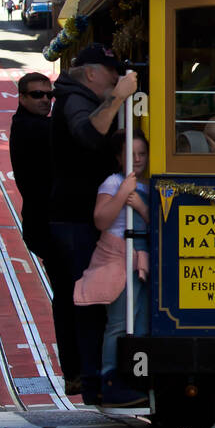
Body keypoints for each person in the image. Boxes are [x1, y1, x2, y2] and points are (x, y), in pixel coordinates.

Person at [49, 43, 138, 405]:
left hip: (77, 219)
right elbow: (88, 134)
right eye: (110, 70)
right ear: (91, 73)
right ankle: (94, 382)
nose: (116, 76)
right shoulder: (74, 99)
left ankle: (94, 379)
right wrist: (118, 99)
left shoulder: (73, 94)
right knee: (91, 300)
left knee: (92, 300)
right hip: (75, 221)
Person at [9, 71, 80, 391]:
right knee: (68, 297)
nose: (45, 101)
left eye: (49, 96)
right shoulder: (30, 128)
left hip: (47, 225)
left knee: (69, 295)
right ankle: (75, 371)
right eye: (37, 95)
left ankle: (76, 370)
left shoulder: (37, 126)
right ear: (22, 97)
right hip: (49, 227)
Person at [74, 130, 150, 407]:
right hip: (119, 257)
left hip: (142, 259)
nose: (138, 160)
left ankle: (134, 377)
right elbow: (101, 219)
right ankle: (110, 380)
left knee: (140, 321)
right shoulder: (113, 182)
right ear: (119, 158)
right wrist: (123, 194)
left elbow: (159, 225)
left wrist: (141, 205)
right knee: (119, 322)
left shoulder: (149, 186)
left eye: (142, 154)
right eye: (132, 155)